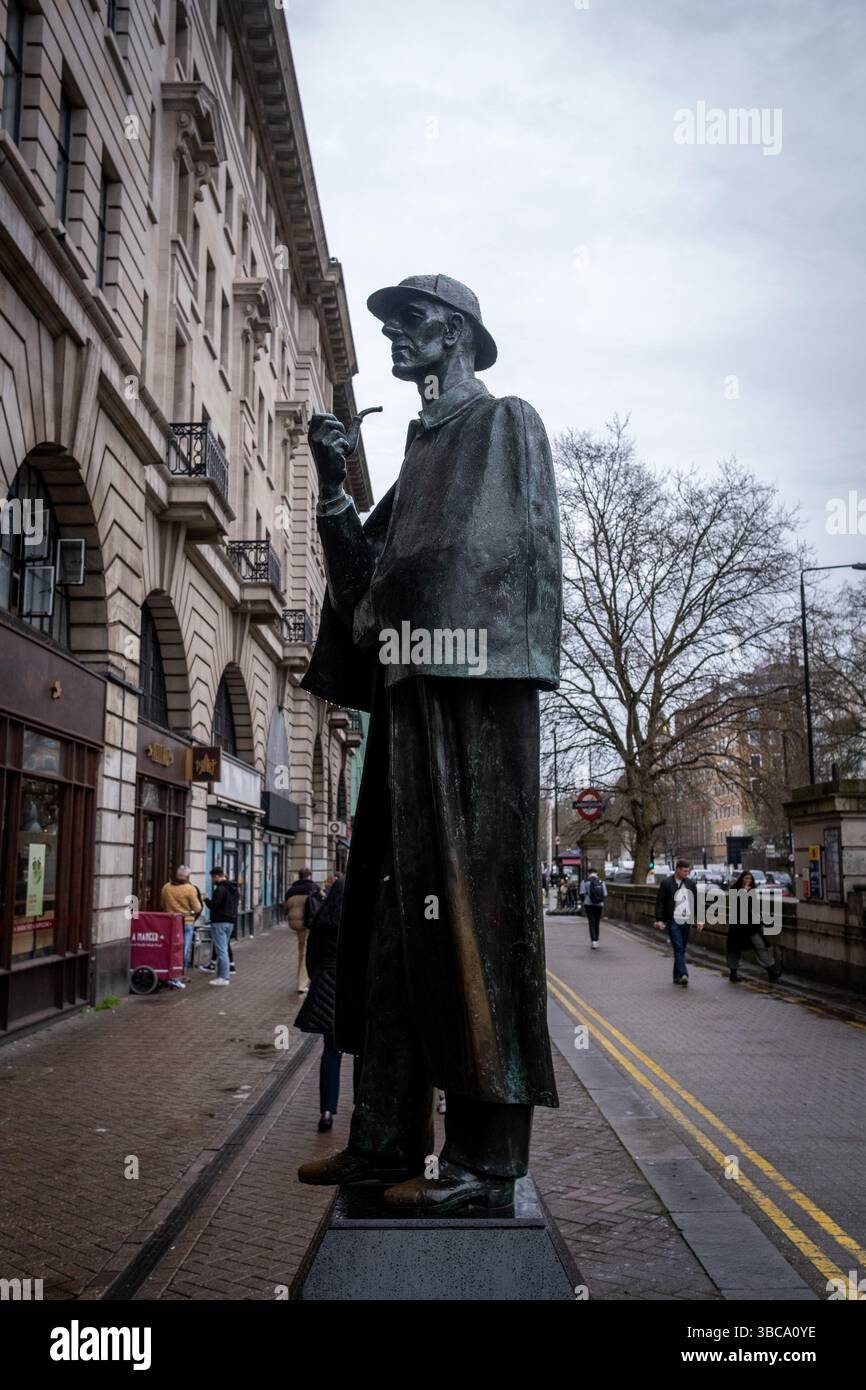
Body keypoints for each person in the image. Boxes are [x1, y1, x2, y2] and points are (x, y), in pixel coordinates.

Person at [296, 274, 561, 1215]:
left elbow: (515, 563)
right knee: (391, 931)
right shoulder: (416, 458)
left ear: (454, 334)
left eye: (408, 323)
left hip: (470, 705)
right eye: (391, 327)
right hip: (406, 705)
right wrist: (335, 490)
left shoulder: (504, 424)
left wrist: (403, 607)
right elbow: (359, 596)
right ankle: (383, 1141)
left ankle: (486, 1163)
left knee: (473, 927)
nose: (393, 339)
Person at [295, 875, 347, 1131]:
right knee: (362, 1051)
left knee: (331, 1049)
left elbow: (311, 958)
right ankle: (361, 1107)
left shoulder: (321, 920)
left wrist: (319, 977)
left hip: (325, 985)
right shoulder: (360, 921)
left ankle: (326, 1111)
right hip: (353, 989)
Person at [654, 859, 705, 988]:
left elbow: (696, 902)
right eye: (684, 871)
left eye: (688, 871)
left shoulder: (690, 884)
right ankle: (684, 974)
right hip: (673, 920)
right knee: (678, 946)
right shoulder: (666, 883)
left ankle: (676, 976)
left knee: (681, 948)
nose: (686, 873)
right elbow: (660, 902)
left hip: (686, 919)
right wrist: (659, 919)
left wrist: (699, 919)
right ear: (678, 869)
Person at [727, 870, 783, 983]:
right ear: (741, 879)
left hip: (752, 926)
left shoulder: (752, 891)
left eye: (750, 879)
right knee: (734, 950)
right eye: (746, 878)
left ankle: (771, 971)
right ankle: (733, 973)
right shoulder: (734, 890)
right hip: (738, 926)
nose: (748, 881)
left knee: (760, 946)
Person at [159, 865, 202, 978]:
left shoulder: (166, 887)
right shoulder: (190, 888)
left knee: (170, 947)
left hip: (171, 922)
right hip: (186, 922)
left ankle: (169, 970)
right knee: (184, 948)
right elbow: (198, 908)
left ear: (177, 874)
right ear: (188, 876)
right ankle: (180, 973)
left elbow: (162, 904)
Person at [285, 868, 322, 994]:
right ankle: (302, 983)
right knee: (305, 952)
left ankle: (304, 978)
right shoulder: (314, 887)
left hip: (296, 924)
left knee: (302, 950)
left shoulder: (291, 890)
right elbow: (323, 901)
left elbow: (286, 906)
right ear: (309, 876)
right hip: (309, 923)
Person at [204, 866, 237, 987]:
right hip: (230, 922)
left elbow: (214, 905)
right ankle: (224, 975)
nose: (213, 880)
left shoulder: (220, 889)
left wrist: (206, 899)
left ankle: (223, 977)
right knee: (224, 950)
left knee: (221, 951)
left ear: (217, 876)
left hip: (220, 922)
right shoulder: (233, 888)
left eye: (213, 878)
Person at [580, 870, 607, 948]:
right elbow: (605, 894)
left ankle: (593, 941)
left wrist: (584, 901)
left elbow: (582, 893)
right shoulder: (601, 882)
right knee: (597, 922)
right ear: (596, 873)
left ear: (589, 873)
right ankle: (597, 939)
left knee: (591, 922)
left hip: (588, 904)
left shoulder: (584, 882)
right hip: (599, 904)